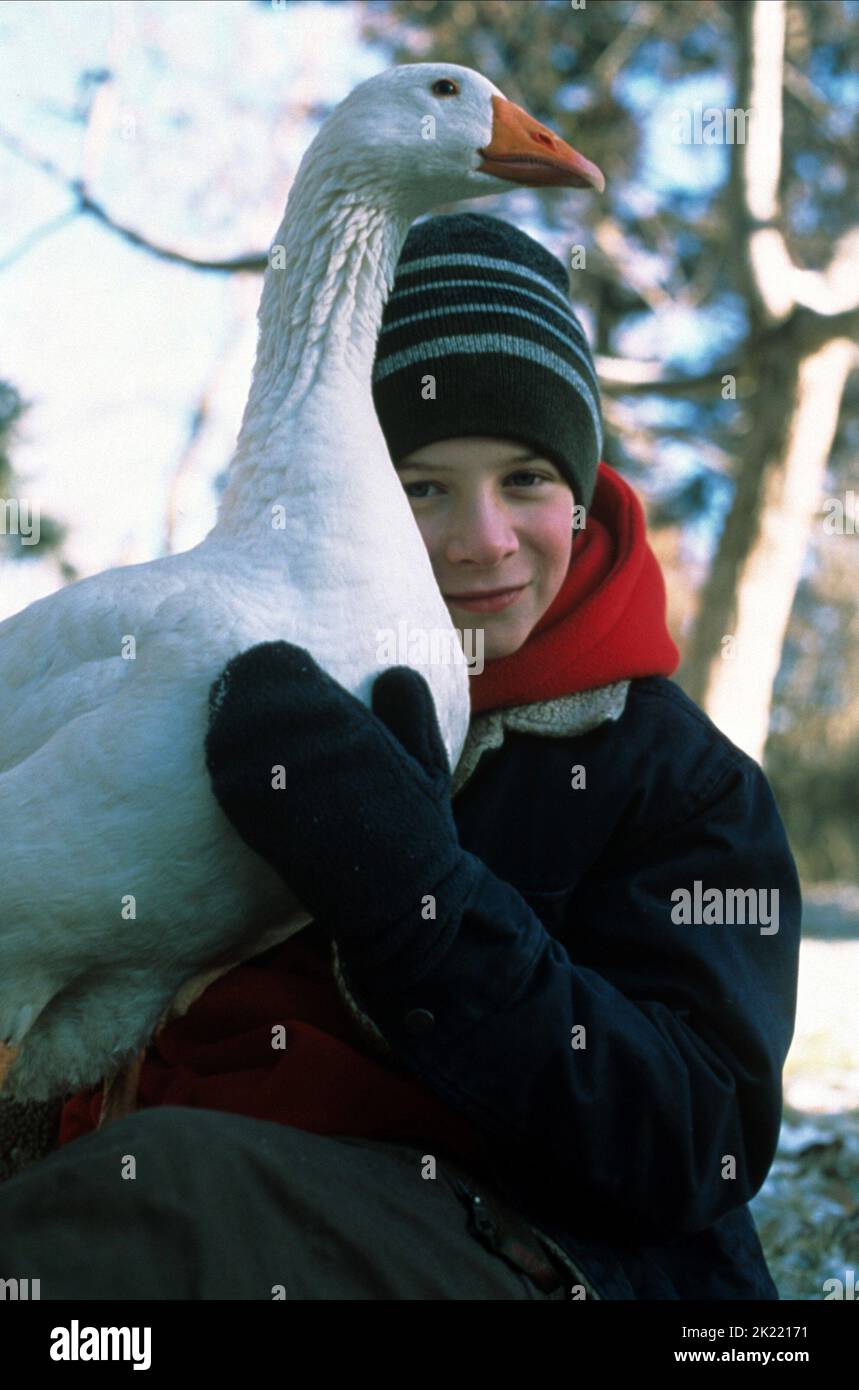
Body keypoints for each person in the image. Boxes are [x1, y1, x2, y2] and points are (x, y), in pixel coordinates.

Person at [0, 214, 800, 1300]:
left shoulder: (678, 781)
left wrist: (415, 894)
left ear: (580, 485)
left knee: (163, 1206)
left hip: (551, 1262)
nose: (483, 537)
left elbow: (694, 1143)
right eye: (423, 485)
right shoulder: (248, 693)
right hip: (220, 1194)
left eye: (524, 477)